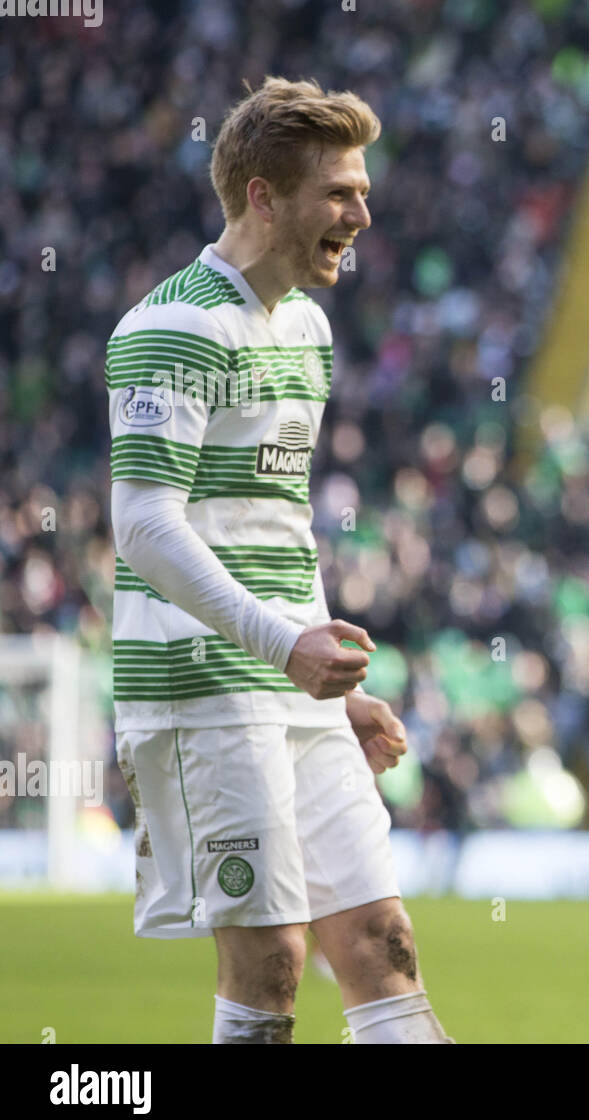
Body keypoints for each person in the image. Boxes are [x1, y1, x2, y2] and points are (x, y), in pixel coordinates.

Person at [108, 77, 451, 1043]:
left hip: (286, 682)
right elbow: (142, 524)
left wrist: (329, 687)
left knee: (383, 941)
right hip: (202, 684)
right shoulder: (172, 326)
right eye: (340, 193)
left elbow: (275, 524)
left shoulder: (308, 328)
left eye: (362, 190)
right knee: (271, 962)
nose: (362, 213)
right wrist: (283, 646)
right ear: (264, 195)